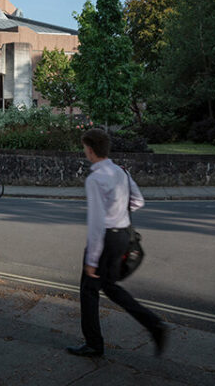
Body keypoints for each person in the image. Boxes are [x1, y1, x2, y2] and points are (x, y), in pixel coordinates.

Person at [66, 127, 168, 358]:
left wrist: (91, 260)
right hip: (123, 236)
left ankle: (94, 344)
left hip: (106, 238)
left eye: (84, 148)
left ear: (90, 150)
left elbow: (96, 223)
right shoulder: (121, 172)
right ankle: (154, 325)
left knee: (89, 290)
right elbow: (138, 201)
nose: (84, 152)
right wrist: (120, 211)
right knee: (110, 286)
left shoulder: (95, 179)